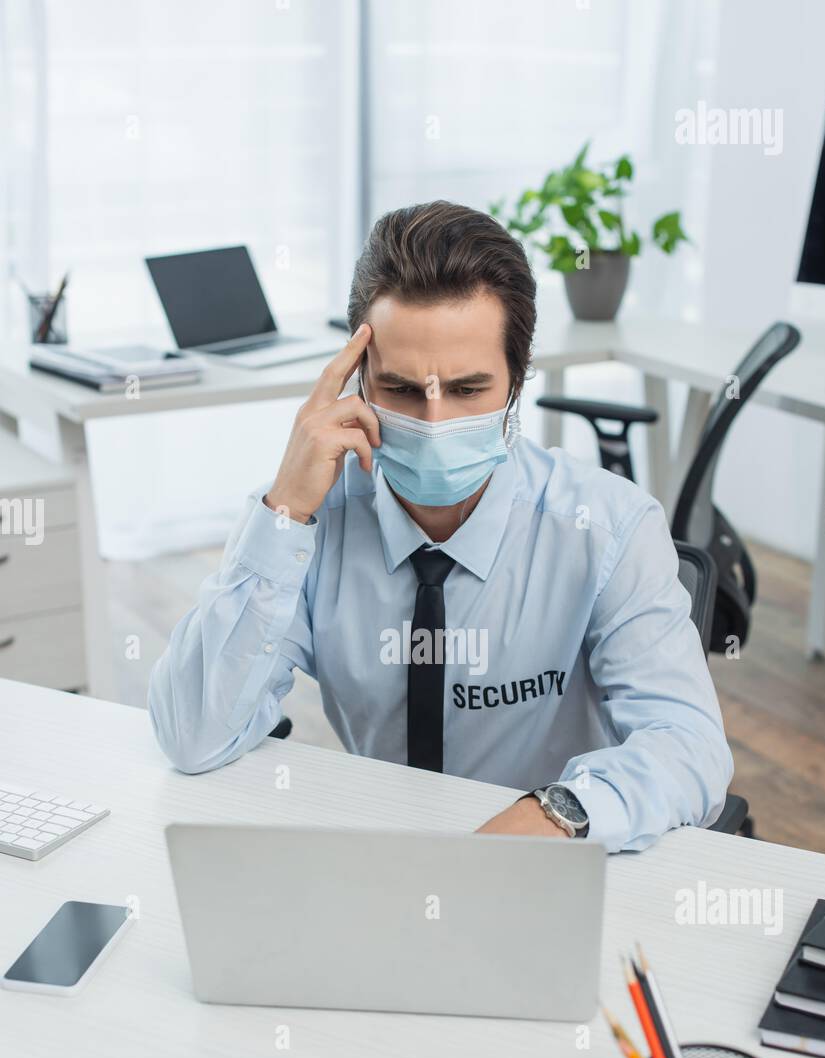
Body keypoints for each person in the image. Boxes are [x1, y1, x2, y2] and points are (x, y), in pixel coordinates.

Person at [149, 200, 733, 851]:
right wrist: (284, 512)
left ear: (516, 381)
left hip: (542, 867)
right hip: (375, 858)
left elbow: (690, 749)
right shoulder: (303, 520)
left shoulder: (609, 528)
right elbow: (192, 736)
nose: (431, 422)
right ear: (357, 381)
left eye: (465, 390)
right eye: (400, 389)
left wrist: (551, 815)